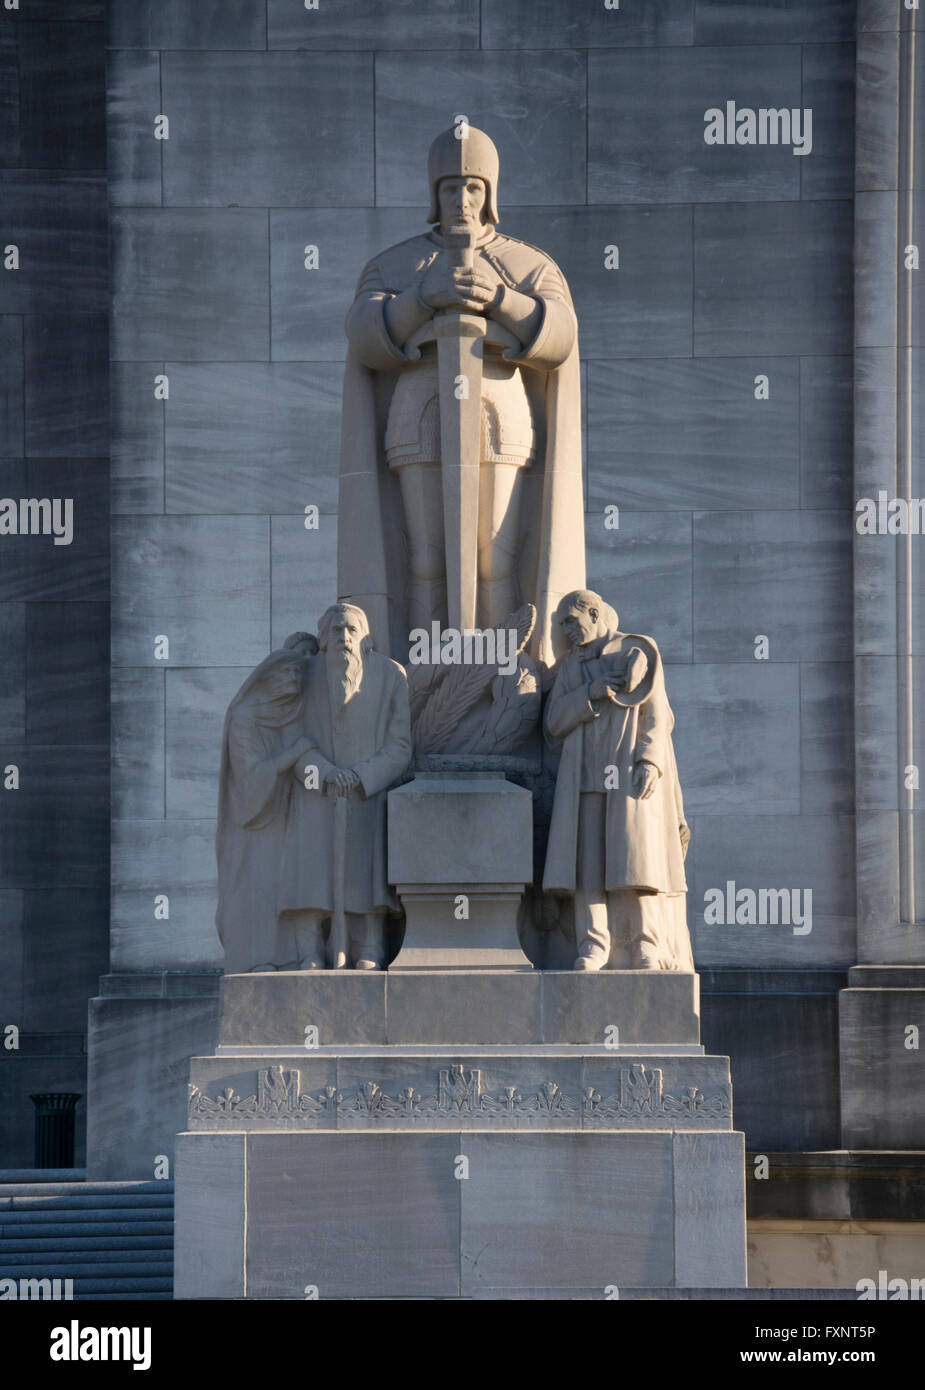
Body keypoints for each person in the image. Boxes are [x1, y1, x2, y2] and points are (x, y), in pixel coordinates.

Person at [337, 123, 585, 669]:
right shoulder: (399, 264)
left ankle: (495, 681)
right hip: (418, 404)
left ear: (490, 194)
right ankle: (427, 682)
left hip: (498, 405)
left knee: (494, 559)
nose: (462, 199)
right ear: (434, 194)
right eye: (451, 187)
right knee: (426, 561)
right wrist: (422, 298)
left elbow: (561, 333)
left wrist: (501, 299)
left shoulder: (527, 265)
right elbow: (364, 332)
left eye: (473, 187)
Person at [542, 590, 694, 972]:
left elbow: (658, 715)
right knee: (588, 868)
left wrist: (650, 761)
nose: (567, 631)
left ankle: (646, 944)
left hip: (627, 772)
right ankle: (593, 945)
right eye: (562, 625)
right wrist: (590, 693)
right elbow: (554, 722)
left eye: (572, 621)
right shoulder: (570, 668)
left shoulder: (637, 651)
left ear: (594, 614)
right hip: (585, 778)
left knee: (636, 862)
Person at [277, 602, 412, 970]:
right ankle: (308, 951)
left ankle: (369, 947)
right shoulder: (301, 675)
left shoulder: (390, 675)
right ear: (322, 638)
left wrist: (361, 777)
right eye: (335, 630)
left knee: (365, 876)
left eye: (352, 629)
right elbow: (290, 735)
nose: (344, 636)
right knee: (310, 875)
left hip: (366, 795)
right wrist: (322, 774)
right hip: (313, 793)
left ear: (366, 637)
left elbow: (399, 746)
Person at [215, 640, 316, 973]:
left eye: (300, 672)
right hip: (258, 819)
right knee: (258, 889)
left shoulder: (299, 712)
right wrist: (296, 751)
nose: (294, 678)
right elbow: (251, 775)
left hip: (292, 814)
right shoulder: (245, 716)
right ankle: (258, 960)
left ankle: (291, 957)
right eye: (287, 670)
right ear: (270, 675)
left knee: (288, 888)